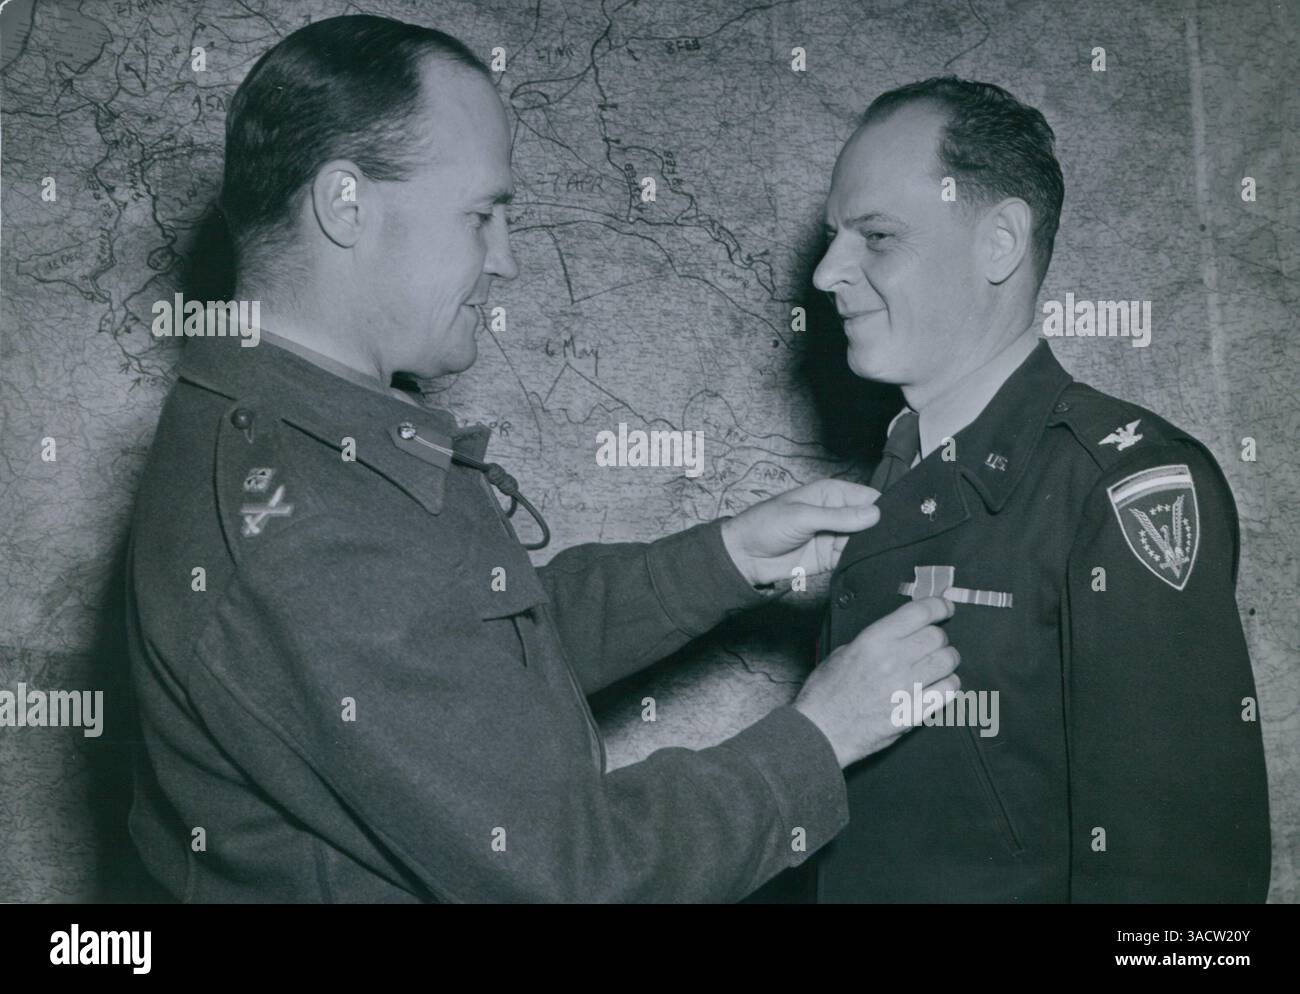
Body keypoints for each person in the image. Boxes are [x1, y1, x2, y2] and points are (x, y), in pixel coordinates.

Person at [123, 15, 961, 903]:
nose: (507, 260)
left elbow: (463, 661)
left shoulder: (303, 433)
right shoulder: (309, 523)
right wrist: (820, 737)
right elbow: (573, 878)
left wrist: (723, 560)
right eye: (482, 215)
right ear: (345, 204)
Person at [762, 76, 1270, 902]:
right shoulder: (896, 470)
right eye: (832, 237)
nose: (826, 273)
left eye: (877, 236)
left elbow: (1185, 903)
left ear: (999, 242)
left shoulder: (1119, 483)